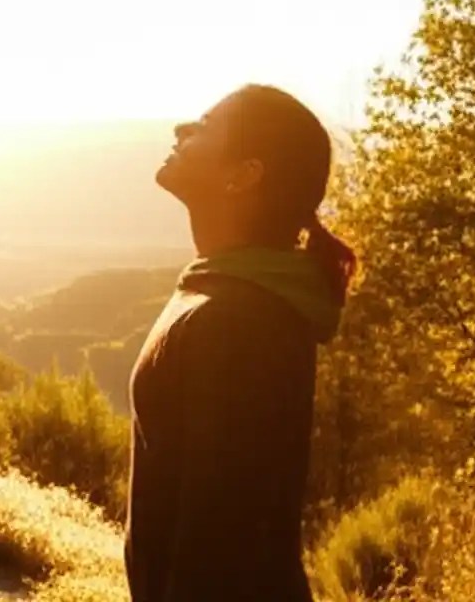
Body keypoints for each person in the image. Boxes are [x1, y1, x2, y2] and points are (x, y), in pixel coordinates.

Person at [124, 84, 355, 601]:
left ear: (243, 175)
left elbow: (220, 548)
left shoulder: (240, 323)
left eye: (205, 126)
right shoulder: (223, 293)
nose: (181, 129)